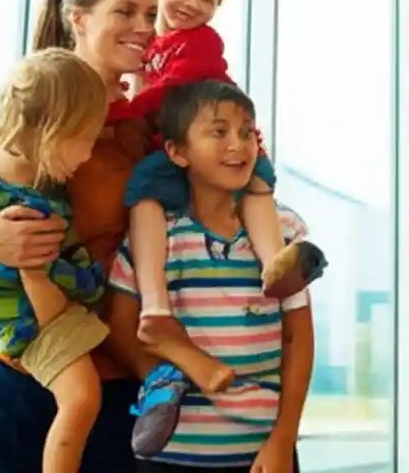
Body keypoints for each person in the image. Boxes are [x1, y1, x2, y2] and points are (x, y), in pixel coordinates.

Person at [0, 0, 164, 472]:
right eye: (125, 11)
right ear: (78, 17)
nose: (143, 27)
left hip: (107, 384)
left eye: (151, 14)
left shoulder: (148, 132)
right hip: (0, 375)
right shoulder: (8, 118)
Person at [112, 0, 325, 349]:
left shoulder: (200, 42)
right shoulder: (154, 47)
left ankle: (272, 264)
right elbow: (148, 90)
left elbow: (165, 93)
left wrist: (119, 113)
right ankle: (155, 303)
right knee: (145, 193)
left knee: (256, 189)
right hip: (186, 147)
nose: (192, 4)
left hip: (228, 143)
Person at [104, 80, 313, 473]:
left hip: (263, 455)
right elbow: (119, 327)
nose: (238, 144)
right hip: (170, 456)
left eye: (247, 132)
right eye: (219, 132)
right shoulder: (155, 236)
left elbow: (298, 337)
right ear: (177, 152)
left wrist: (284, 438)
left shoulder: (284, 231)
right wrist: (163, 375)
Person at [0, 48, 110, 473]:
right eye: (84, 141)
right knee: (81, 398)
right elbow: (34, 273)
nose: (86, 157)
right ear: (51, 132)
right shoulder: (25, 211)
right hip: (26, 312)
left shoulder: (9, 158)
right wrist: (73, 309)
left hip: (32, 296)